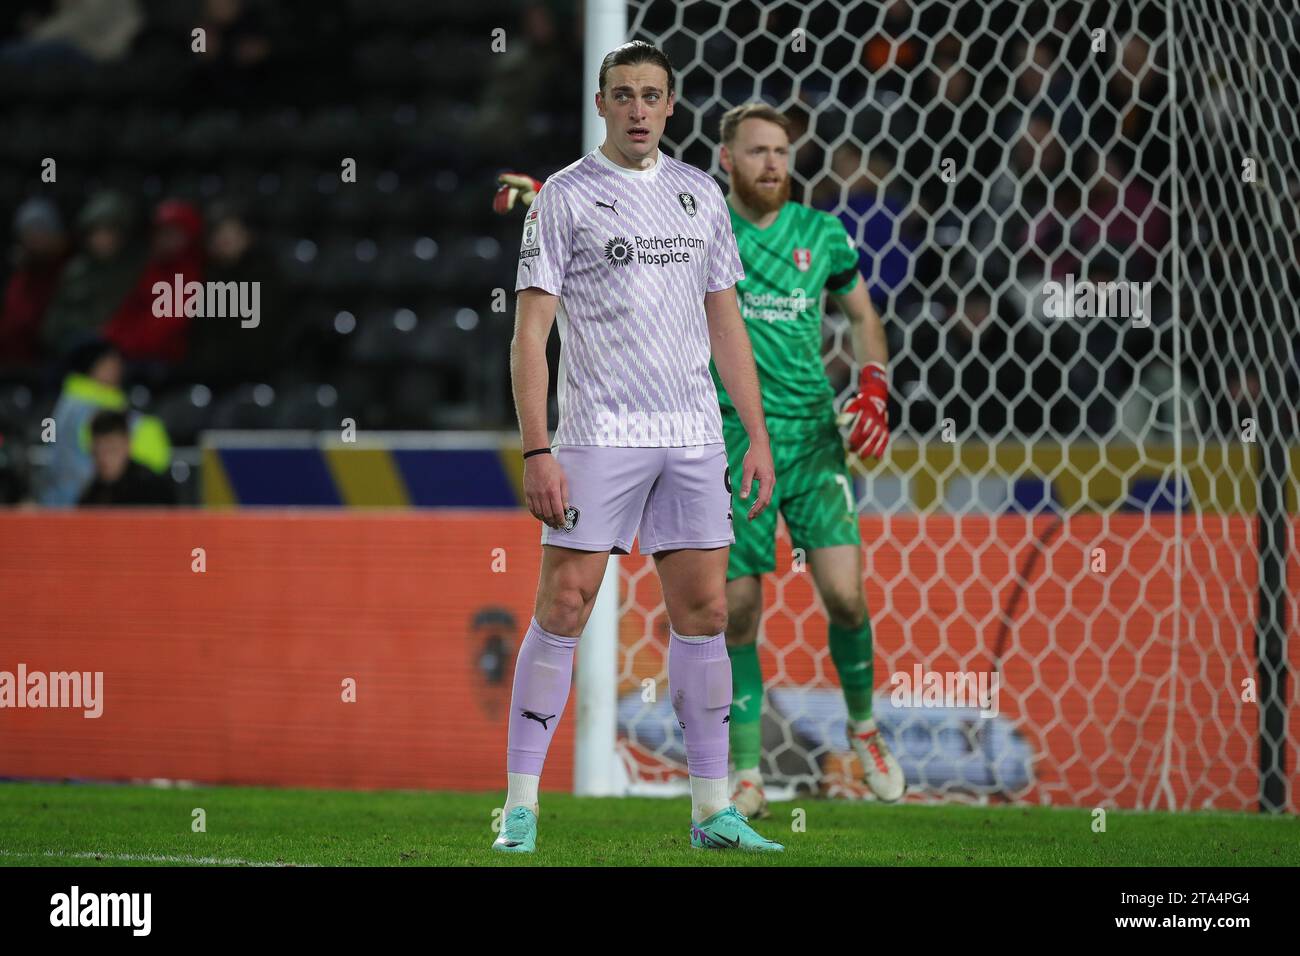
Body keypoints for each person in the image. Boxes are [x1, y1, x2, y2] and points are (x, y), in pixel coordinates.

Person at [495, 41, 782, 854]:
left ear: (671, 103)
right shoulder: (564, 199)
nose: (639, 109)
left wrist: (753, 434)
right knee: (565, 606)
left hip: (693, 438)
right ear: (601, 103)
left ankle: (711, 811)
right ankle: (520, 804)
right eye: (623, 94)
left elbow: (727, 321)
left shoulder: (699, 194)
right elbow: (530, 335)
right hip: (597, 437)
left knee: (707, 613)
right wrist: (537, 449)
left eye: (652, 95)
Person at [36, 338, 171, 506]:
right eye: (111, 362)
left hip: (60, 501)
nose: (119, 368)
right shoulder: (89, 407)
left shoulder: (65, 403)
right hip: (80, 503)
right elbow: (151, 451)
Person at [77, 409, 176, 506]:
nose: (104, 458)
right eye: (98, 451)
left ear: (127, 445)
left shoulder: (154, 489)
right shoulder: (90, 494)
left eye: (112, 450)